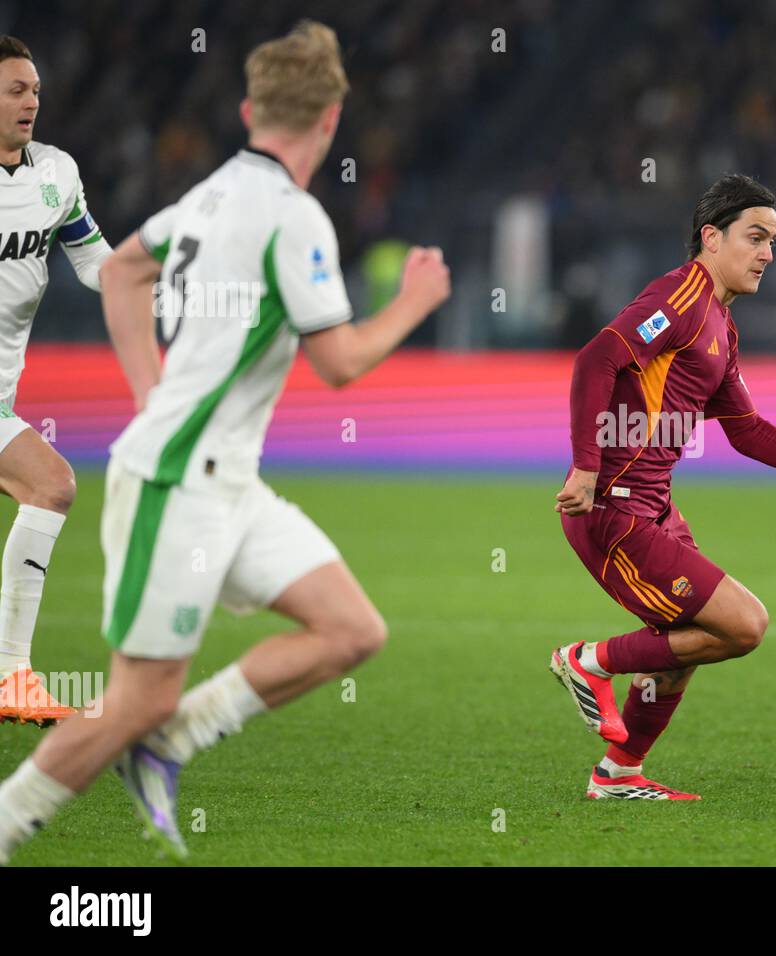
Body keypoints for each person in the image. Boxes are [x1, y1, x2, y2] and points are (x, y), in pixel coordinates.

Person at [0, 20, 450, 863]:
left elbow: (126, 269)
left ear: (248, 109)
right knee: (136, 697)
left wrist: (147, 390)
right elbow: (342, 361)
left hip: (230, 482)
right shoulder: (294, 216)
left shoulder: (208, 192)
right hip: (176, 483)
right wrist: (415, 302)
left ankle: (171, 744)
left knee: (351, 628)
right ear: (329, 123)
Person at [551, 174, 776, 799]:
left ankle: (618, 774)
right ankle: (588, 661)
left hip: (653, 508)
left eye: (774, 241)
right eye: (756, 237)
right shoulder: (681, 296)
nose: (768, 253)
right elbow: (597, 358)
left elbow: (748, 432)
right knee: (744, 625)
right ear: (711, 239)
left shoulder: (721, 327)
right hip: (613, 508)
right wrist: (584, 465)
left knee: (682, 644)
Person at [0, 36, 113, 725]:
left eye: (34, 89)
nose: (31, 100)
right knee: (52, 483)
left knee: (46, 488)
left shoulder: (56, 176)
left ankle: (12, 678)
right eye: (15, 89)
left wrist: (164, 292)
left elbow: (96, 263)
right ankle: (12, 675)